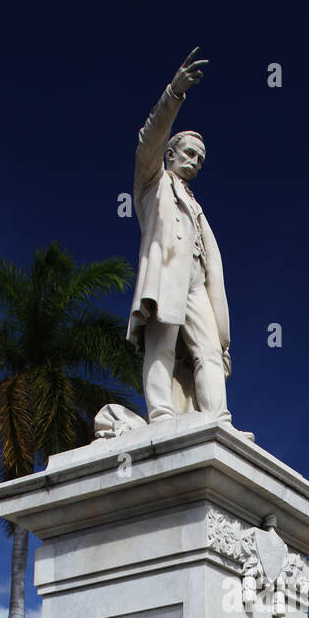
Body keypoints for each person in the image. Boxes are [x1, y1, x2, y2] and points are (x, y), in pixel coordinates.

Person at [126, 48, 232, 425]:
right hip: (168, 271)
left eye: (200, 159)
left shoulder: (195, 204)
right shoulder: (152, 181)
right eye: (189, 153)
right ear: (170, 153)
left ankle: (218, 419)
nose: (195, 162)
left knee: (209, 350)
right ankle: (161, 415)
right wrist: (174, 93)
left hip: (196, 279)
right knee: (162, 344)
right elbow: (149, 139)